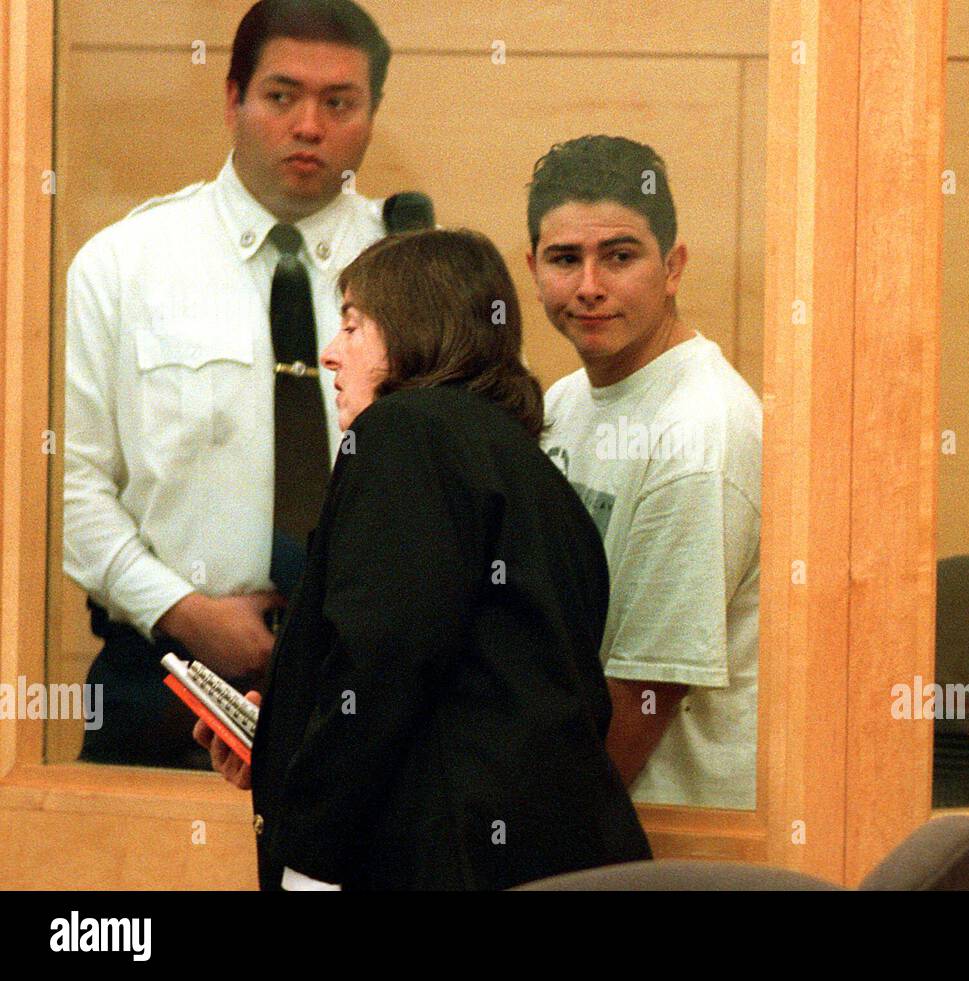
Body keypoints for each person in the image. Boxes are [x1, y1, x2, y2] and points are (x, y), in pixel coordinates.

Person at [200, 228, 652, 890]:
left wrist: (311, 853)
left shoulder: (404, 431)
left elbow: (380, 661)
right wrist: (284, 747)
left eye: (352, 327)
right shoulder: (534, 474)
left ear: (416, 328)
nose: (329, 354)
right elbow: (458, 681)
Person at [63, 0, 403, 768]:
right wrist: (183, 611)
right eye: (282, 96)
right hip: (162, 674)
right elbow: (70, 487)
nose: (309, 126)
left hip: (367, 680)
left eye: (339, 102)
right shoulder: (123, 265)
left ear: (373, 114)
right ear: (233, 99)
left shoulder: (411, 268)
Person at [525, 135, 762, 809]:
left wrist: (534, 842)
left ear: (673, 265)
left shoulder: (700, 431)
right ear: (533, 266)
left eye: (620, 256)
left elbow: (642, 700)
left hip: (679, 836)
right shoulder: (565, 403)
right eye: (565, 259)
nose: (590, 287)